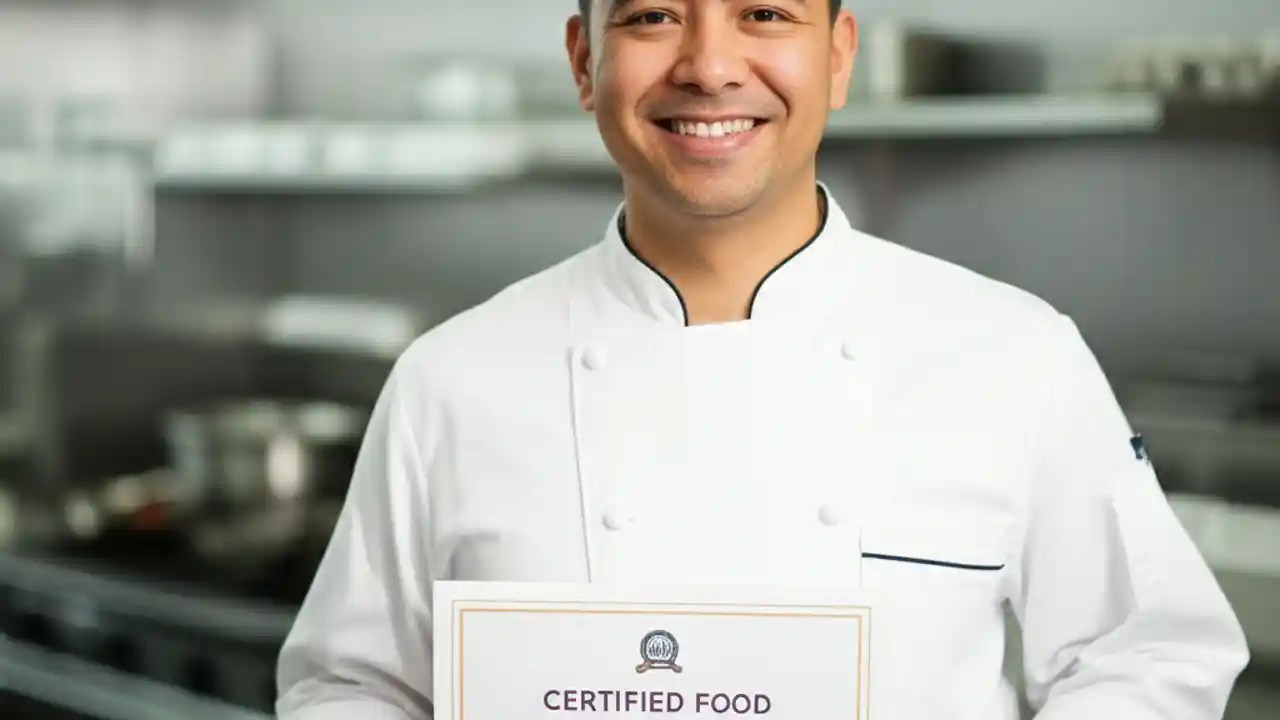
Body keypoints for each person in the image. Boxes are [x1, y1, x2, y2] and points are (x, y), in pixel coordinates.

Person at [276, 0, 1249, 717]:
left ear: (836, 55)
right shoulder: (452, 378)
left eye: (762, 14)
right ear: (583, 60)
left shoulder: (1012, 353)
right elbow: (350, 684)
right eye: (653, 16)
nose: (708, 66)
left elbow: (1148, 656)